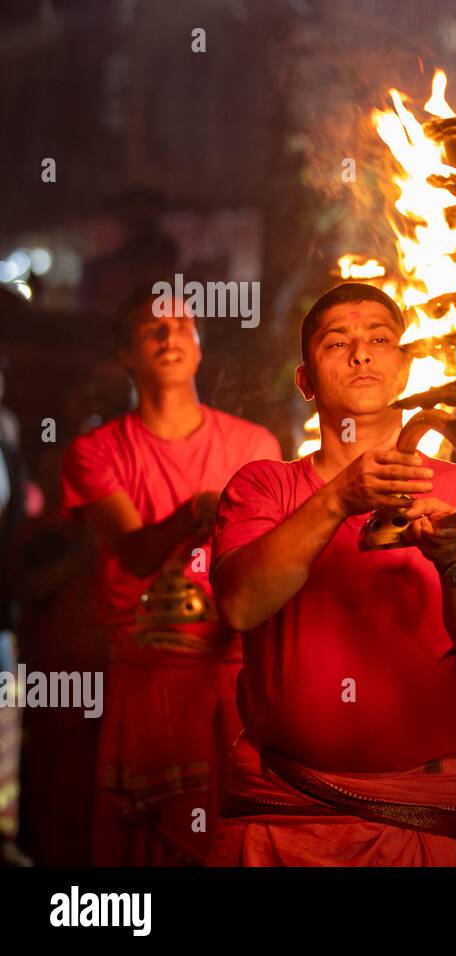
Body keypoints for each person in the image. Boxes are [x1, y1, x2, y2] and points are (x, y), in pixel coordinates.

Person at [207, 283, 456, 866]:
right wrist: (337, 498)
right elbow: (241, 605)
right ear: (304, 381)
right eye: (337, 342)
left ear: (407, 367)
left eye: (381, 339)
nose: (361, 354)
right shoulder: (265, 486)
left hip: (419, 820)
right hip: (280, 820)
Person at [60, 286, 281, 865]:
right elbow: (134, 554)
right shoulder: (96, 450)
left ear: (201, 347)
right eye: (150, 329)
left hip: (232, 670)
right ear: (126, 356)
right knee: (151, 846)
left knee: (238, 839)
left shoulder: (253, 444)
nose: (169, 336)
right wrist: (194, 512)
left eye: (182, 325)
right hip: (148, 674)